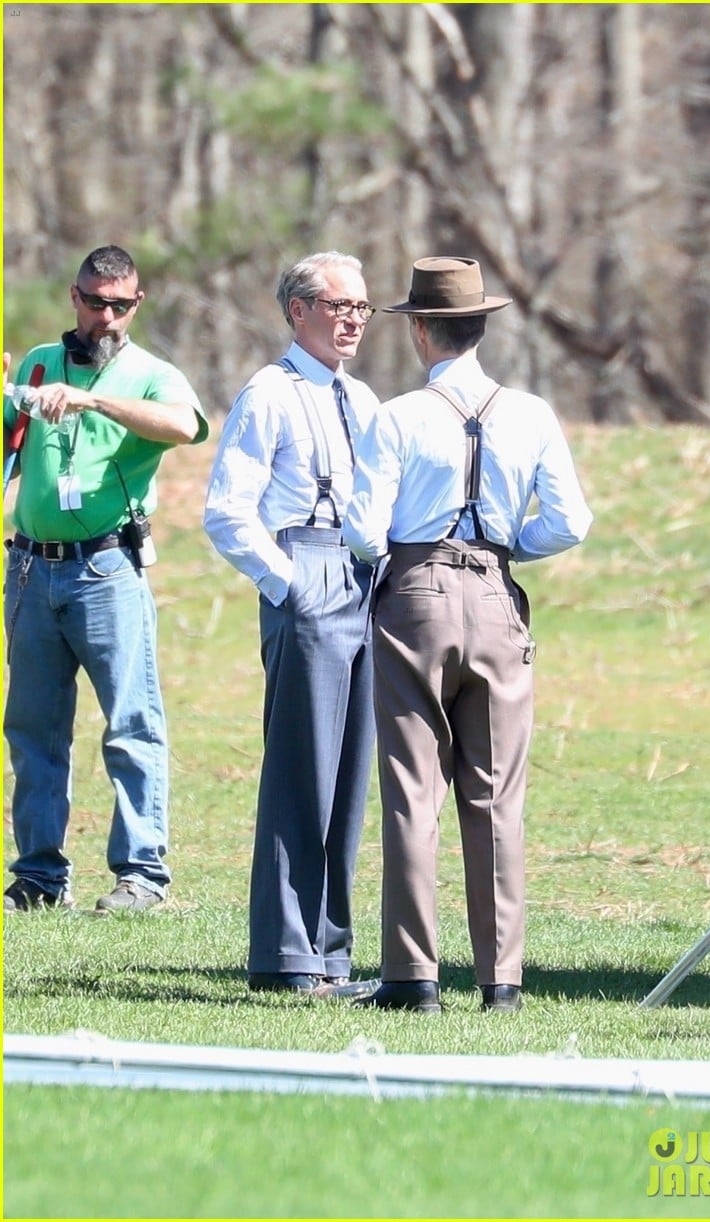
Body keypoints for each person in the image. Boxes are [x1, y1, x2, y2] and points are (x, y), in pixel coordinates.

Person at [344, 256, 593, 1012]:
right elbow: (570, 522)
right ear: (481, 326)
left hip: (415, 593)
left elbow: (362, 530)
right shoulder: (531, 414)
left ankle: (413, 978)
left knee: (412, 792)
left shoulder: (396, 416)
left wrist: (396, 555)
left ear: (420, 330)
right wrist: (507, 544)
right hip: (494, 587)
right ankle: (501, 982)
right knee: (494, 798)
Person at [3, 244, 208, 915]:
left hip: (106, 568)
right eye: (96, 302)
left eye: (121, 304)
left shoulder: (153, 374)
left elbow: (183, 425)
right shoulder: (39, 359)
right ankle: (37, 876)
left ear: (137, 304)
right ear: (75, 298)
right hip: (32, 567)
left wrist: (93, 401)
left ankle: (140, 875)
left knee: (130, 724)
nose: (107, 316)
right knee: (33, 729)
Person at [203, 251, 379, 995]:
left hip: (365, 577)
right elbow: (225, 512)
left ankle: (329, 953)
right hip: (304, 568)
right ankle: (285, 956)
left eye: (362, 309)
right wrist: (288, 585)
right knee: (301, 774)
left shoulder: (363, 400)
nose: (353, 321)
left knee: (350, 777)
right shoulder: (269, 395)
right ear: (298, 310)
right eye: (339, 306)